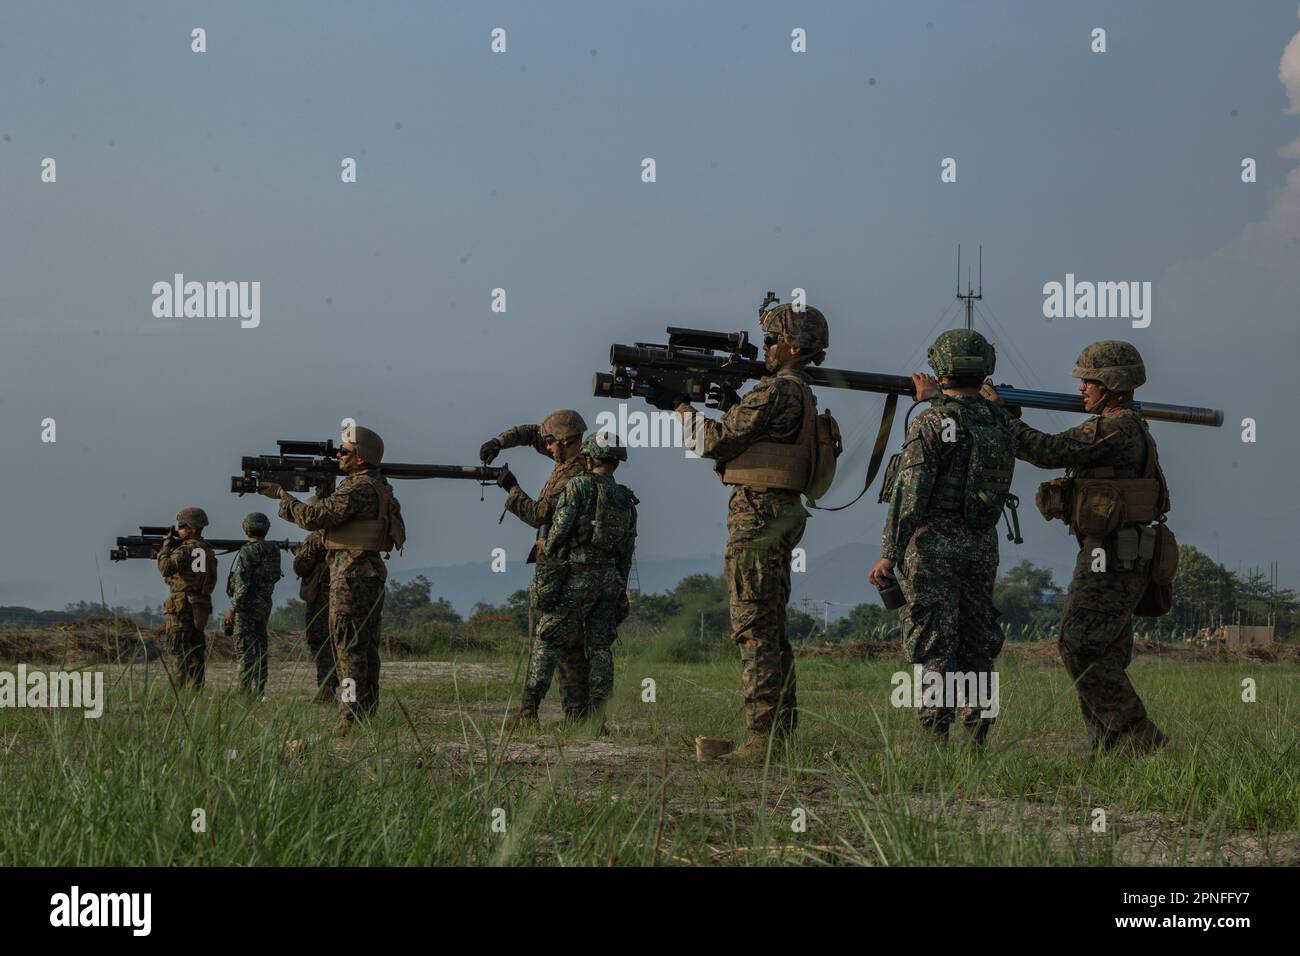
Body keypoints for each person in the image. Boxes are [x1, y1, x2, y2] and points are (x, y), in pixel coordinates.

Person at [659, 301, 830, 760]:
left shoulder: (776, 391)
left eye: (773, 340)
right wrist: (729, 400)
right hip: (778, 513)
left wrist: (679, 407)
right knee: (770, 627)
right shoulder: (796, 392)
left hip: (757, 515)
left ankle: (761, 740)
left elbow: (714, 441)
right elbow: (751, 433)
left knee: (753, 627)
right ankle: (778, 736)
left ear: (794, 346)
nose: (766, 348)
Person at [993, 341, 1170, 753]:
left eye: (1088, 382)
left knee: (1078, 645)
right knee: (1102, 649)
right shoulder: (1131, 427)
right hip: (1122, 554)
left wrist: (1004, 419)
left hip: (1109, 557)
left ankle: (1137, 735)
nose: (1081, 391)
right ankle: (1109, 747)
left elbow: (1047, 451)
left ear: (1111, 384)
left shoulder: (1114, 429)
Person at [868, 330, 1016, 744]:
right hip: (982, 545)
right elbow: (972, 419)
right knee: (977, 642)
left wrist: (889, 554)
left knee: (933, 641)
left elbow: (910, 492)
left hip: (932, 547)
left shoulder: (930, 422)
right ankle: (977, 739)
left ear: (940, 366)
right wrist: (938, 400)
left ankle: (936, 740)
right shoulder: (1000, 420)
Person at [261, 425, 404, 732]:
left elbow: (315, 518)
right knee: (364, 648)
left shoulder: (358, 488)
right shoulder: (377, 485)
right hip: (367, 574)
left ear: (362, 459)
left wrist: (282, 496)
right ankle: (366, 712)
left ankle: (349, 718)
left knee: (348, 649)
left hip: (351, 577)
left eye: (345, 452)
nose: (339, 456)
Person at [482, 409, 594, 721]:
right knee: (570, 643)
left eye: (550, 443)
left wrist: (511, 488)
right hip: (568, 567)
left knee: (555, 641)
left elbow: (539, 514)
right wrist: (500, 441)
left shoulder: (573, 476)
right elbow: (534, 433)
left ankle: (543, 713)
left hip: (565, 568)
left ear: (567, 442)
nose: (545, 448)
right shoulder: (571, 459)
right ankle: (578, 715)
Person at [522, 433, 638, 732]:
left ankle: (527, 713)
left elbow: (559, 532)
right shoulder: (626, 497)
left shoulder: (578, 486)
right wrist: (619, 588)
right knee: (600, 648)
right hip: (609, 580)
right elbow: (627, 550)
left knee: (547, 639)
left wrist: (545, 547)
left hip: (577, 576)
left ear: (589, 458)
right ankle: (598, 722)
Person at [223, 512, 284, 698]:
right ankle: (259, 691)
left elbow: (242, 584)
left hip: (246, 607)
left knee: (244, 650)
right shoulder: (274, 549)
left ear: (246, 528)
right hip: (264, 605)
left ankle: (244, 692)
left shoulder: (247, 552)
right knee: (260, 648)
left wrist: (232, 609)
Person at [157, 507, 218, 688]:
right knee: (196, 651)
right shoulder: (206, 550)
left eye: (182, 526)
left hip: (181, 607)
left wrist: (164, 549)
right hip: (199, 606)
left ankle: (179, 691)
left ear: (192, 528)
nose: (179, 529)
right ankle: (195, 691)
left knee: (178, 651)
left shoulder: (184, 550)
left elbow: (165, 568)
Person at [293, 529, 335, 702]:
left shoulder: (316, 537)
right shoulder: (348, 534)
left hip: (321, 598)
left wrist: (298, 553)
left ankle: (327, 690)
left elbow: (301, 567)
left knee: (320, 641)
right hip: (346, 595)